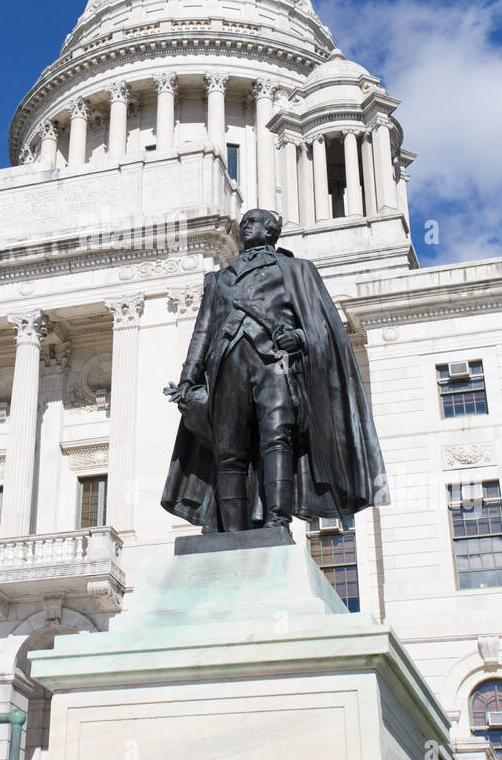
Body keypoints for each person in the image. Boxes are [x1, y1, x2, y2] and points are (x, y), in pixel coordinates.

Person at [162, 208, 389, 543]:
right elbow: (202, 334)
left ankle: (276, 523)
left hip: (275, 366)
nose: (244, 227)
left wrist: (298, 338)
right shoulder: (219, 279)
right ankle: (233, 532)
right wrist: (187, 381)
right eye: (243, 223)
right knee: (228, 449)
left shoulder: (296, 270)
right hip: (226, 367)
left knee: (276, 438)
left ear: (272, 230)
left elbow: (321, 327)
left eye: (252, 222)